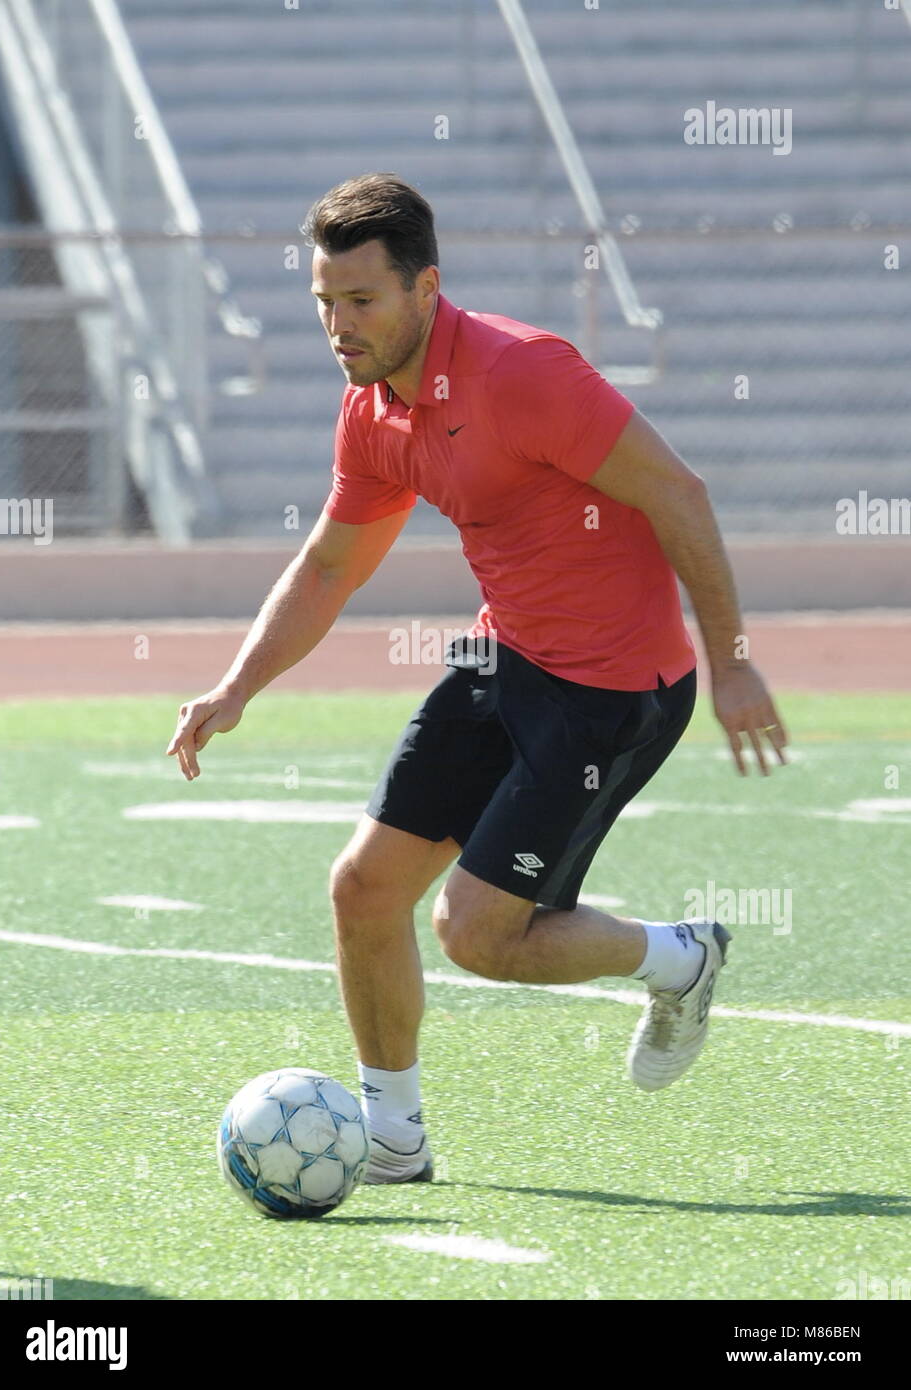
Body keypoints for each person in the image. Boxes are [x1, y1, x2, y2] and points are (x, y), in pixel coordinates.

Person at [167, 173, 788, 1185]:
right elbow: (331, 562)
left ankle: (680, 958)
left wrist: (730, 663)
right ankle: (394, 1141)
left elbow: (679, 491)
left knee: (478, 936)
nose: (338, 324)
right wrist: (236, 687)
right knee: (363, 888)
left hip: (613, 690)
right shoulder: (370, 411)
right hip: (505, 659)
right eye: (323, 302)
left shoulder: (521, 373)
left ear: (424, 288)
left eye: (360, 300)